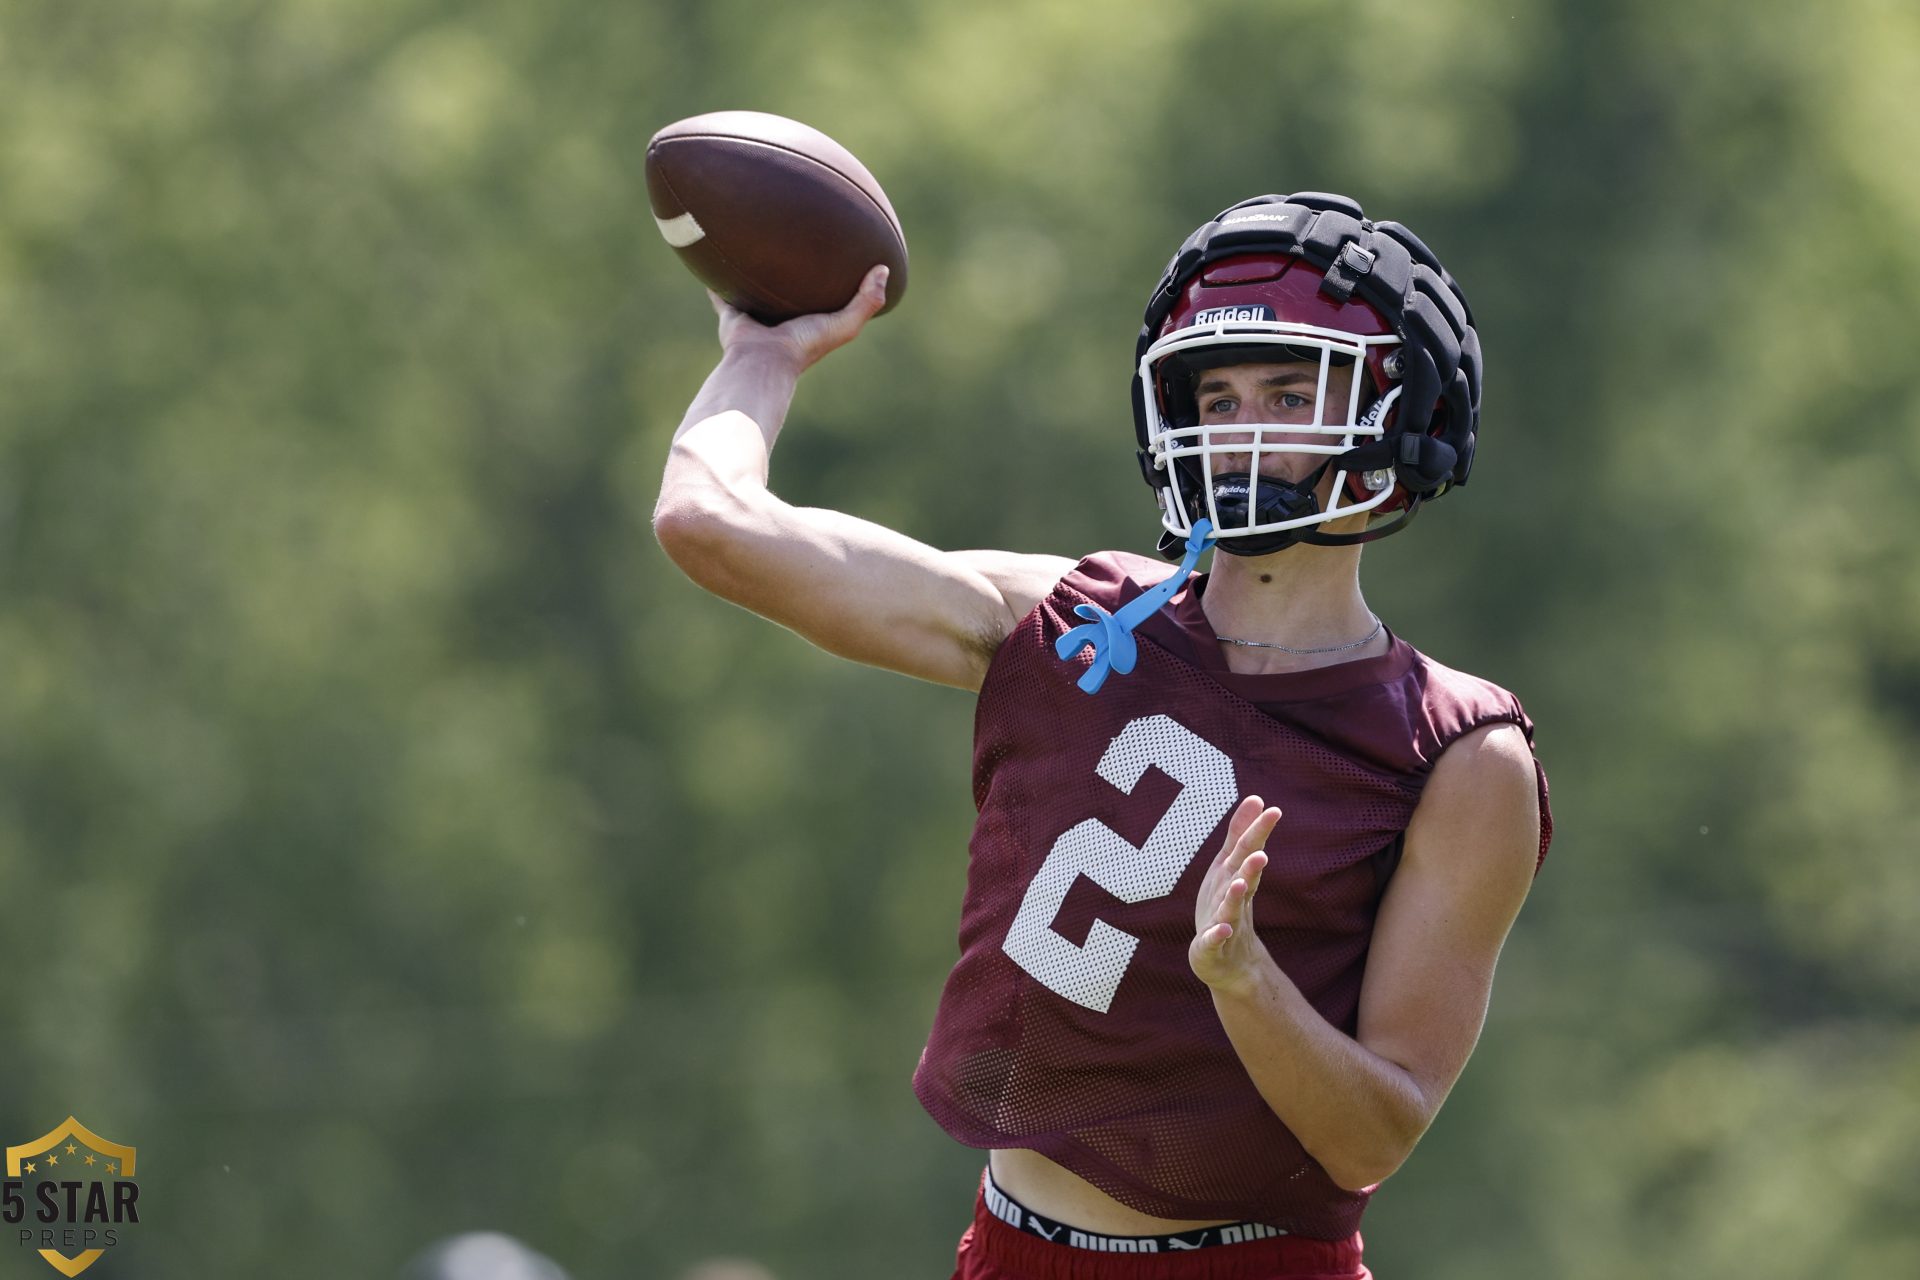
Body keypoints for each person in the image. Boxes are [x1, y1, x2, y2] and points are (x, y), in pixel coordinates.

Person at [653, 193, 1552, 1280]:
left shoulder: (1456, 751)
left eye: (1286, 389)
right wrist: (761, 354)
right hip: (1009, 1248)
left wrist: (1249, 982)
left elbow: (1373, 1132)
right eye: (1214, 394)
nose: (1238, 426)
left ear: (1397, 409)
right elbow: (709, 525)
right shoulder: (1069, 618)